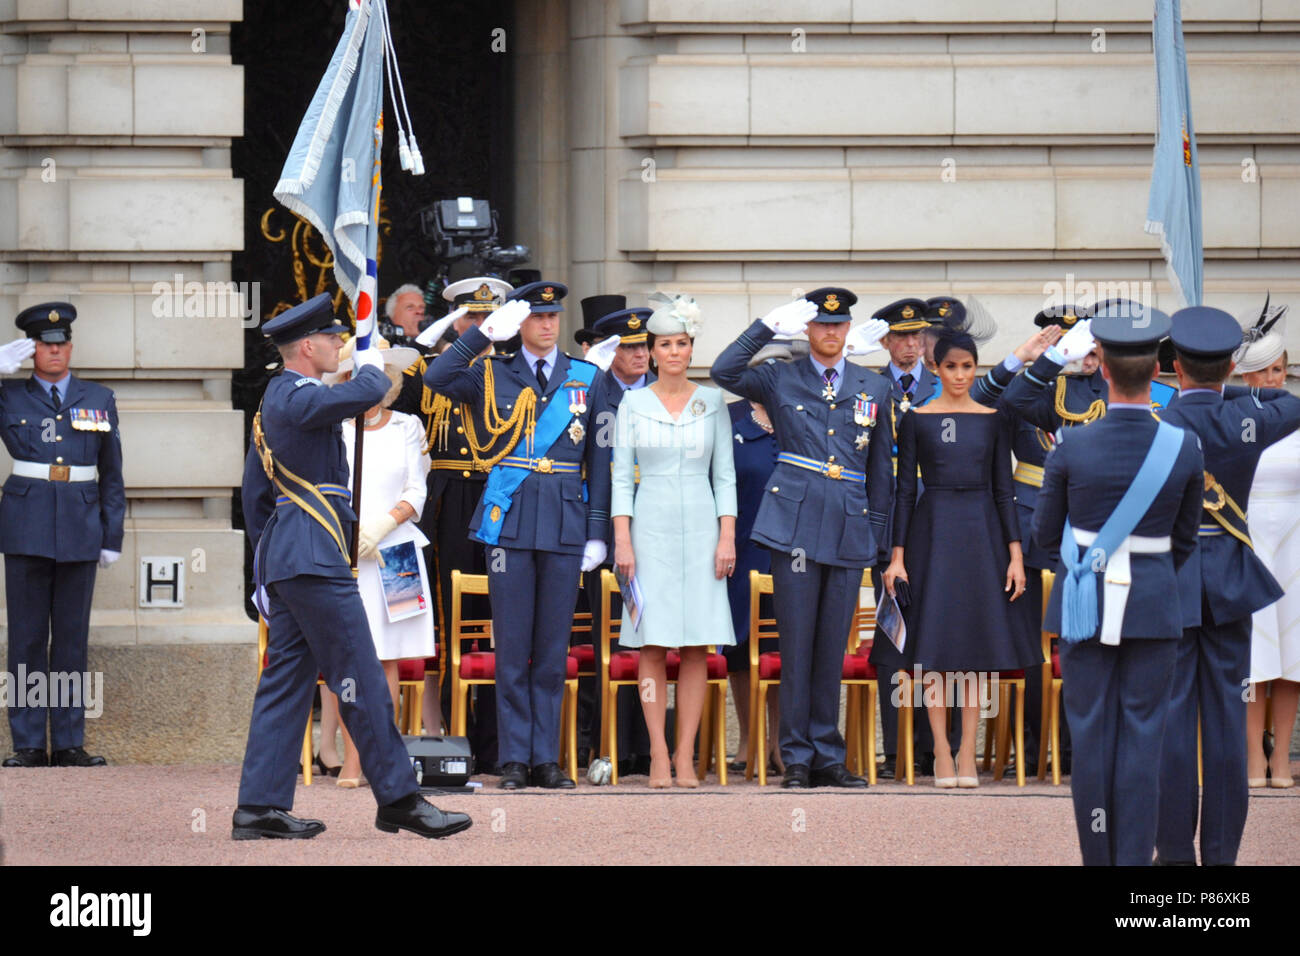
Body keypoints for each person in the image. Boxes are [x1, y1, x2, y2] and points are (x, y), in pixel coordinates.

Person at [233, 293, 470, 840]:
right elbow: (368, 389)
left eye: (345, 337)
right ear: (308, 346)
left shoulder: (285, 399)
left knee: (286, 681)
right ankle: (399, 798)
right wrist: (369, 357)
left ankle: (259, 807)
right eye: (334, 339)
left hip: (298, 555)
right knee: (360, 673)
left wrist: (267, 565)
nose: (340, 345)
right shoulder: (295, 394)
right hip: (313, 558)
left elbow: (255, 499)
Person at [425, 281, 614, 790]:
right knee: (511, 646)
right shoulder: (490, 372)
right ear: (519, 323)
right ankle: (513, 759)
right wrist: (482, 334)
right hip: (508, 523)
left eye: (554, 316)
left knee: (552, 649)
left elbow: (601, 461)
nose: (548, 325)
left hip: (564, 523)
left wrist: (597, 532)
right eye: (536, 316)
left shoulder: (587, 378)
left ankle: (546, 759)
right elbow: (438, 376)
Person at [1033, 307, 1203, 865]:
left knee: (1091, 737)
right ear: (1158, 369)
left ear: (1101, 367)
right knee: (1144, 738)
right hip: (1153, 605)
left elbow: (1041, 537)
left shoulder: (1072, 447)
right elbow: (1184, 541)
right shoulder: (1183, 447)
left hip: (1084, 605)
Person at [711, 287, 892, 789]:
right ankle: (795, 756)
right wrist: (765, 326)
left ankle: (828, 755)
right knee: (796, 643)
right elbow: (726, 371)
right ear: (808, 331)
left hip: (848, 523)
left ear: (848, 330)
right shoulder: (780, 376)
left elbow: (881, 471)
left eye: (838, 325)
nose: (830, 332)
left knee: (832, 644)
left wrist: (877, 536)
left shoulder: (873, 386)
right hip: (792, 523)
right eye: (821, 325)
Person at [1155, 306, 1300, 866]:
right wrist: (1230, 394)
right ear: (1235, 365)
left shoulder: (1160, 421)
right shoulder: (1250, 418)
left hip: (1170, 582)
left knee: (1170, 725)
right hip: (1232, 584)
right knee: (1224, 726)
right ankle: (1220, 863)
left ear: (1174, 368)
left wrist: (1194, 395)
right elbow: (1291, 403)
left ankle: (1172, 860)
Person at [879, 330, 1037, 788]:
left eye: (968, 366)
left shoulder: (993, 418)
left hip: (983, 534)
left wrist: (1015, 556)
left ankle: (969, 750)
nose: (960, 375)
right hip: (932, 533)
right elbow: (905, 491)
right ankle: (942, 752)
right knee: (934, 646)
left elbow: (1004, 490)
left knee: (975, 646)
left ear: (976, 368)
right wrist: (897, 558)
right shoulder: (916, 419)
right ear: (935, 368)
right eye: (951, 367)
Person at [611, 294, 737, 787]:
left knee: (696, 646)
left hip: (704, 527)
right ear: (653, 350)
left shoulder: (713, 401)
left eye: (683, 343)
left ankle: (686, 754)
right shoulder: (632, 401)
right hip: (651, 526)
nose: (675, 352)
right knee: (652, 643)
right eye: (665, 344)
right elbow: (621, 477)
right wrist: (623, 539)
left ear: (691, 348)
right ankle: (658, 754)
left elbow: (724, 475)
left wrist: (727, 536)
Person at [391, 275, 512, 761]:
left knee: (499, 613)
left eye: (489, 319)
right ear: (455, 320)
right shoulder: (427, 369)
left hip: (501, 495)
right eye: (471, 318)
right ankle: (436, 729)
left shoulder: (513, 370)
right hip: (445, 499)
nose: (480, 327)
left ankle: (497, 735)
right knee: (441, 611)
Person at [0, 303, 121, 769]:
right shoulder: (10, 396)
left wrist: (112, 534)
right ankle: (28, 742)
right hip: (26, 525)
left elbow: (112, 472)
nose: (54, 351)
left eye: (60, 344)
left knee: (71, 640)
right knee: (27, 640)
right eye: (44, 345)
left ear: (70, 346)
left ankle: (70, 740)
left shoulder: (99, 397)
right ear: (32, 350)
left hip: (80, 525)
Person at [322, 336, 432, 787]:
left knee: (389, 659)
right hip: (344, 552)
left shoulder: (408, 426)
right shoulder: (332, 429)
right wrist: (348, 532)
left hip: (396, 551)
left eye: (379, 377)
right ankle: (352, 757)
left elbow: (416, 491)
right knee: (350, 657)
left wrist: (382, 527)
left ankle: (379, 757)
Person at [579, 296, 655, 774]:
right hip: (604, 532)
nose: (640, 355)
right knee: (606, 639)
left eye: (644, 346)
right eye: (628, 347)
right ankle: (602, 744)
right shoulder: (592, 396)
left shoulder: (667, 392)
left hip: (659, 528)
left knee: (650, 637)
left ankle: (646, 747)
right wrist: (595, 533)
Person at [869, 297, 939, 779]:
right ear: (886, 342)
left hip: (937, 525)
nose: (911, 345)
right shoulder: (869, 388)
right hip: (884, 520)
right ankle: (898, 751)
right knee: (892, 639)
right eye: (902, 337)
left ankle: (940, 749)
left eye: (917, 337)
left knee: (940, 636)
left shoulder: (945, 384)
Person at [724, 342, 799, 776]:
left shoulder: (800, 416)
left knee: (783, 650)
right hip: (740, 547)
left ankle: (780, 742)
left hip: (794, 550)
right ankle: (749, 739)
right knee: (740, 648)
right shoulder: (730, 416)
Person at [1236, 302, 1298, 789]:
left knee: (1293, 655)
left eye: (1280, 369)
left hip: (1296, 543)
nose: (1274, 378)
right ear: (1246, 374)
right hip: (1250, 539)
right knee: (1256, 653)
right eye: (1264, 370)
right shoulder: (1232, 417)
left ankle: (1282, 762)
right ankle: (1254, 755)